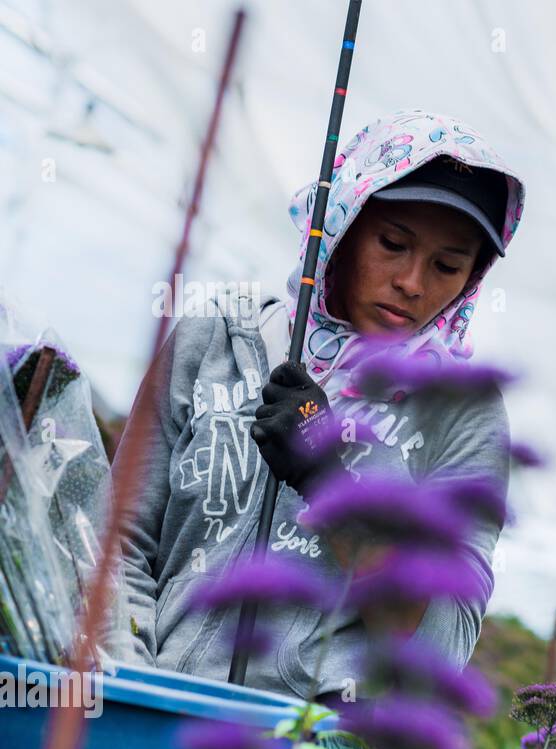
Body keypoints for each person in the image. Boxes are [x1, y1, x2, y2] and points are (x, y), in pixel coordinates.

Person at [108, 109, 527, 707]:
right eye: (393, 243)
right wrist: (136, 691)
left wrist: (332, 482)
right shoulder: (218, 338)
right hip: (149, 716)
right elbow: (119, 541)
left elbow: (441, 647)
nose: (412, 281)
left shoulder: (462, 414)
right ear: (341, 224)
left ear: (473, 277)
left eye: (447, 265)